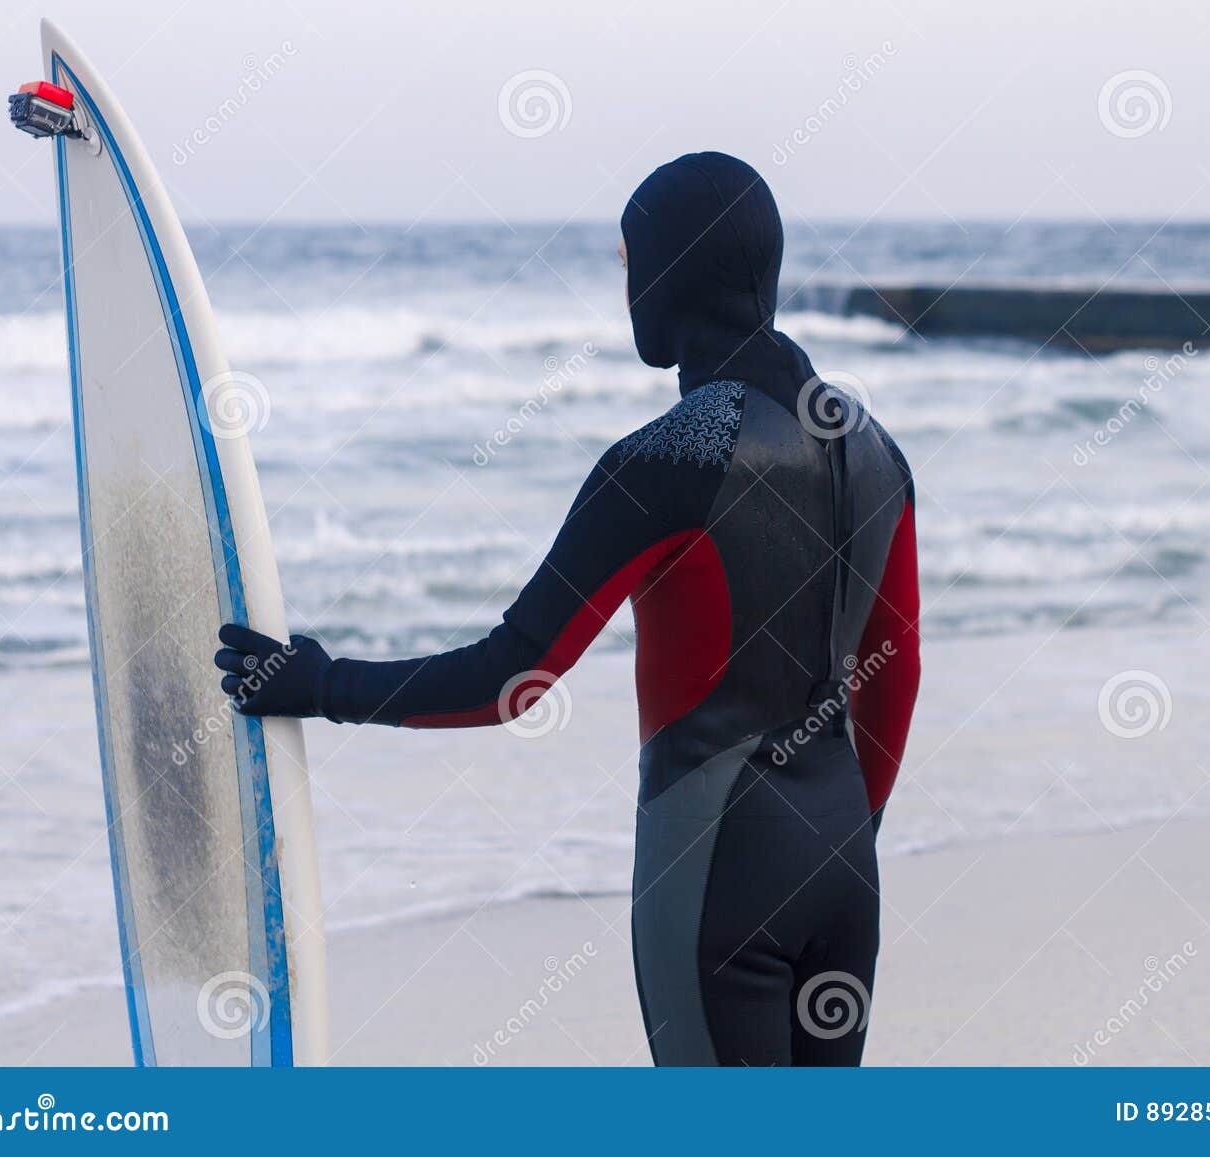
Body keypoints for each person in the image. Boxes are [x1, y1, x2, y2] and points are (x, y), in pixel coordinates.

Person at [214, 151, 920, 1066]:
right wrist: (838, 833)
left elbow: (513, 677)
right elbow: (894, 671)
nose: (625, 286)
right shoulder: (875, 450)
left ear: (671, 274)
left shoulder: (670, 459)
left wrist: (318, 682)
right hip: (842, 866)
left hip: (714, 872)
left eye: (630, 262)